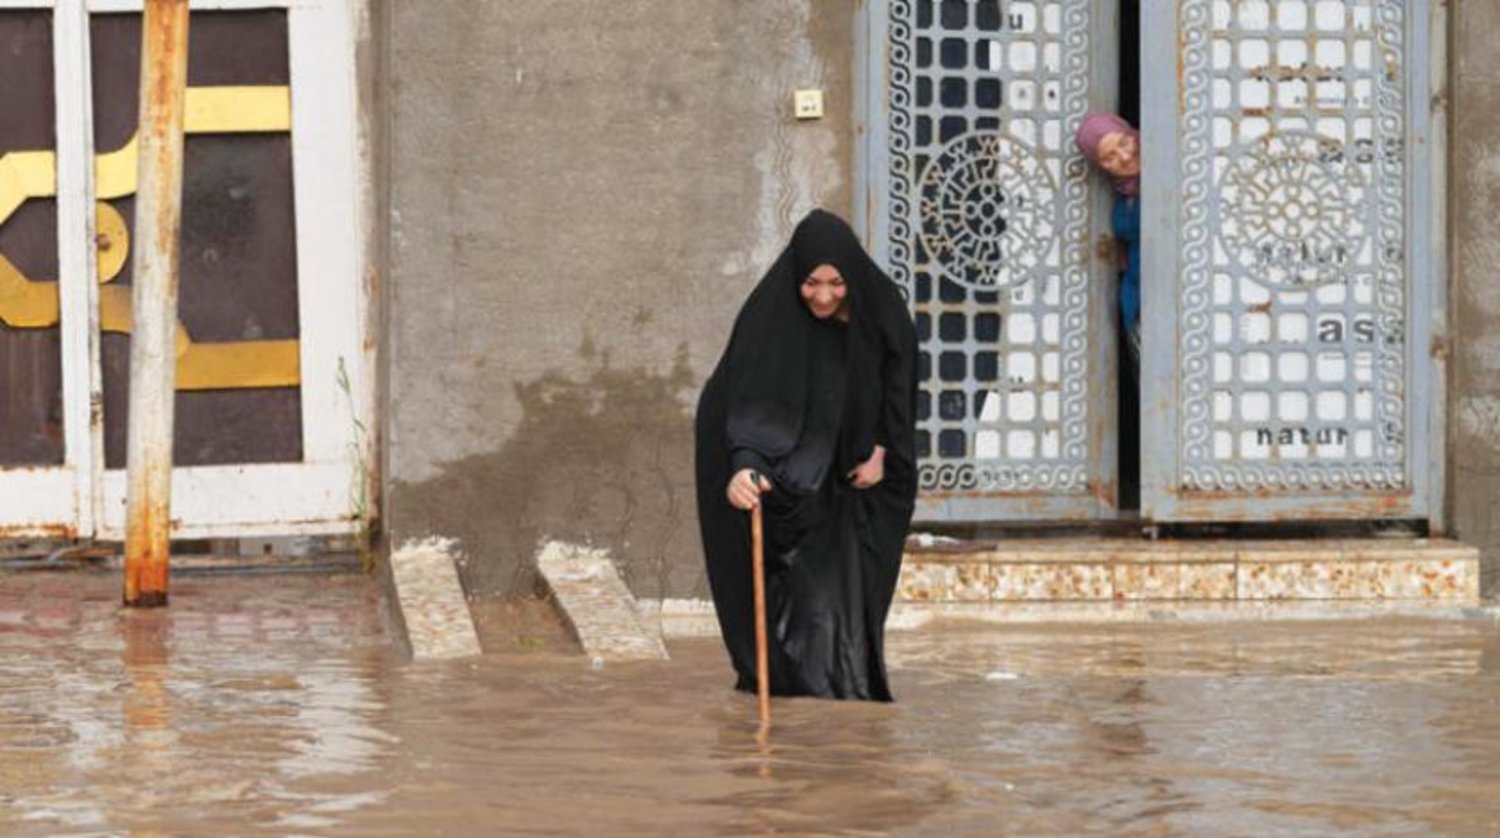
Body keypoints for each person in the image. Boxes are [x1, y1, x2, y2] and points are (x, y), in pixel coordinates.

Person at [694, 209, 918, 702]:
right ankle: (780, 678)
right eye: (811, 283)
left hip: (850, 468)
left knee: (846, 582)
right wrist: (744, 465)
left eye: (836, 283)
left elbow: (897, 388)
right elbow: (748, 402)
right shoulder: (769, 320)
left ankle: (838, 686)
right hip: (776, 462)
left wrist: (882, 452)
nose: (823, 296)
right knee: (780, 582)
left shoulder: (880, 311)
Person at [1075, 113, 1142, 368]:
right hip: (1137, 305)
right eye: (1109, 157)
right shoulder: (1124, 194)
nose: (1124, 157)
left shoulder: (1173, 176)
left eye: (1124, 142)